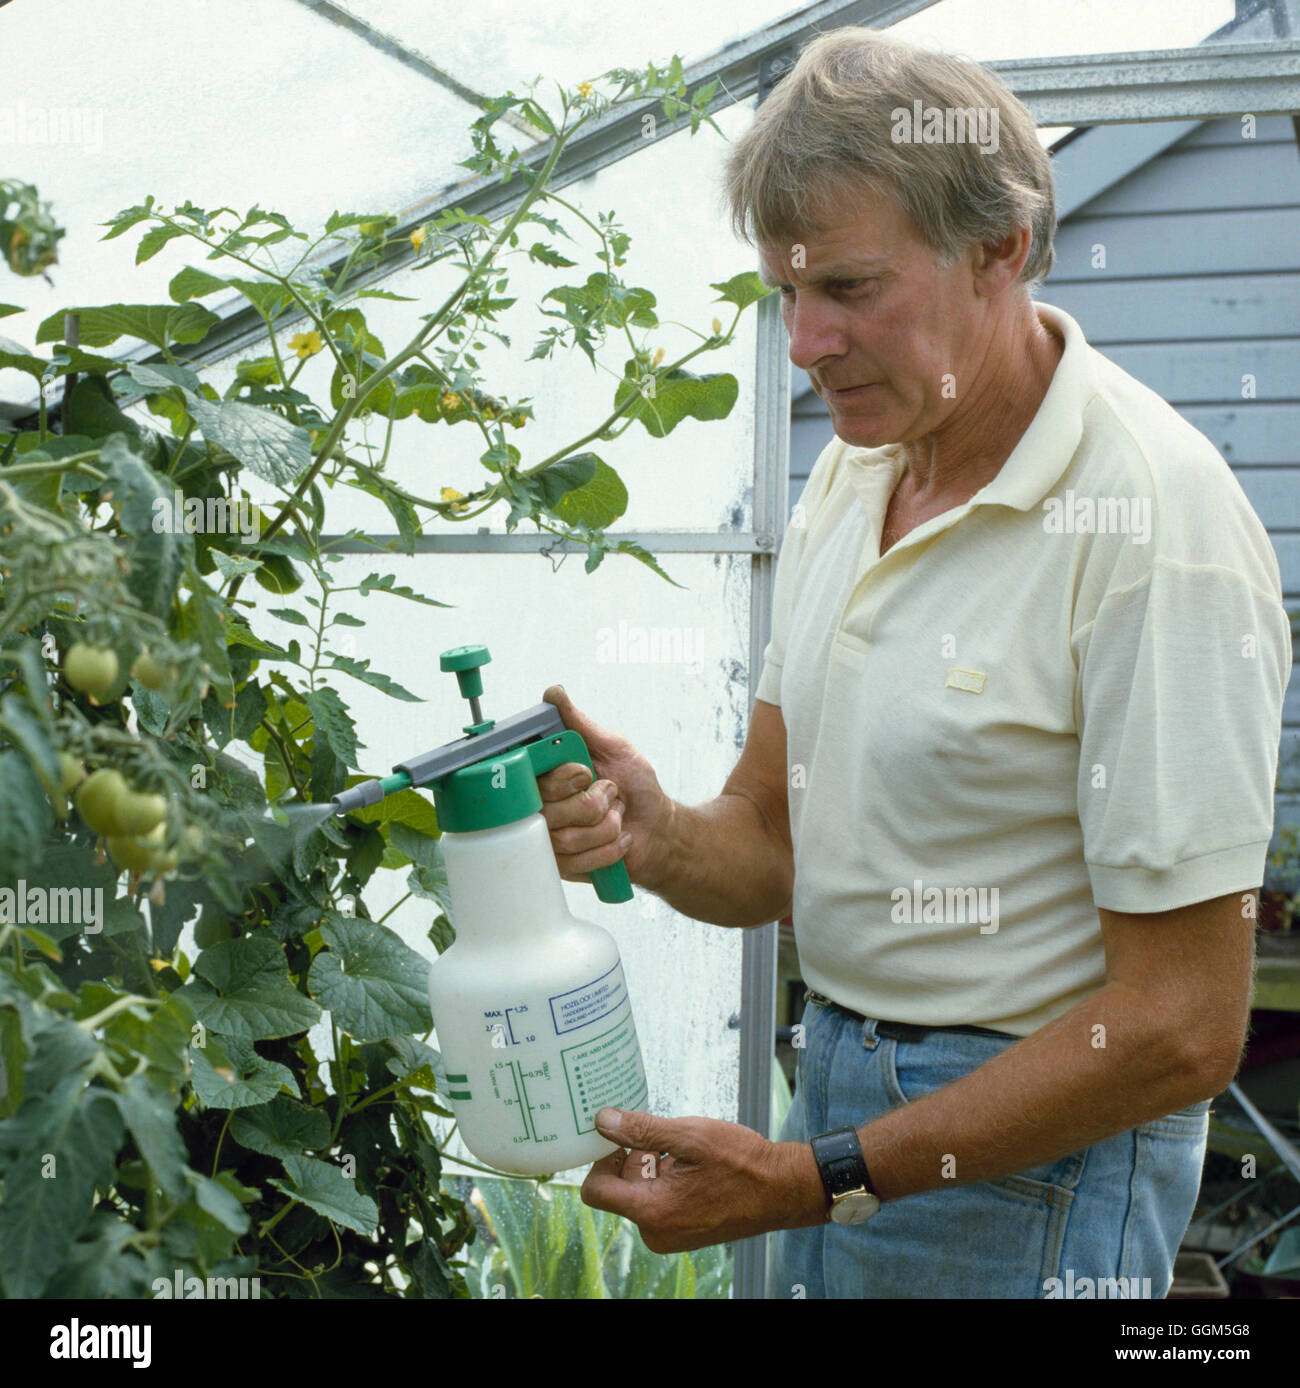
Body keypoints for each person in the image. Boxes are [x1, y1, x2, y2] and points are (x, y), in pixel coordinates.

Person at [536, 27, 1292, 1298]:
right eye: (785, 291)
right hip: (837, 1098)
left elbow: (1178, 1025)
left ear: (1000, 249)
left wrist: (813, 1172)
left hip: (1031, 1172)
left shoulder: (1155, 524)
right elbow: (776, 835)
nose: (804, 341)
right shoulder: (858, 469)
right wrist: (656, 830)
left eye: (847, 288)